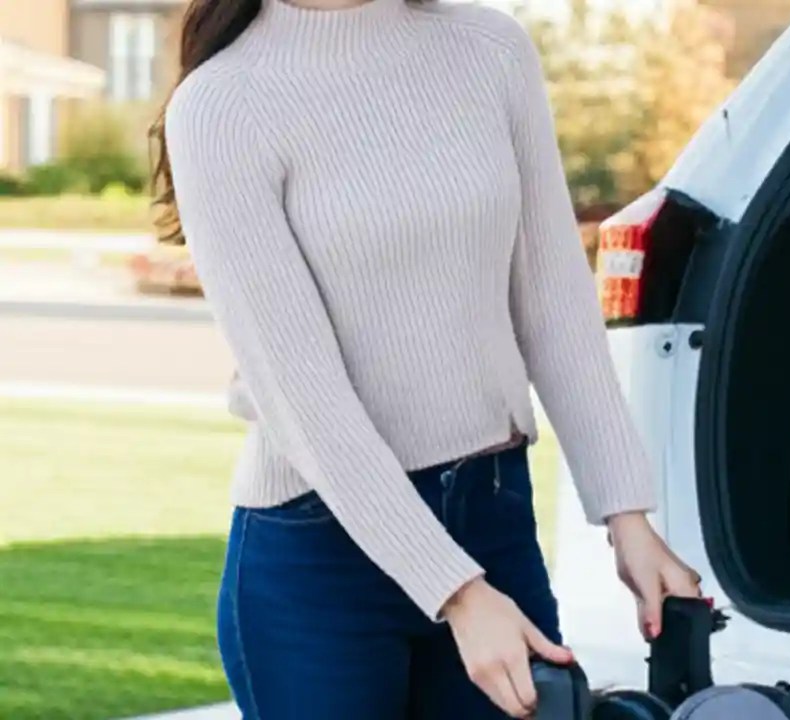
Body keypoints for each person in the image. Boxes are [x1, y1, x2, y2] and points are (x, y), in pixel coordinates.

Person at [151, 0, 702, 717]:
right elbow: (303, 401)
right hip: (321, 562)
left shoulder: (490, 48)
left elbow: (552, 299)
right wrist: (456, 591)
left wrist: (626, 515)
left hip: (492, 516)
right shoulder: (221, 104)